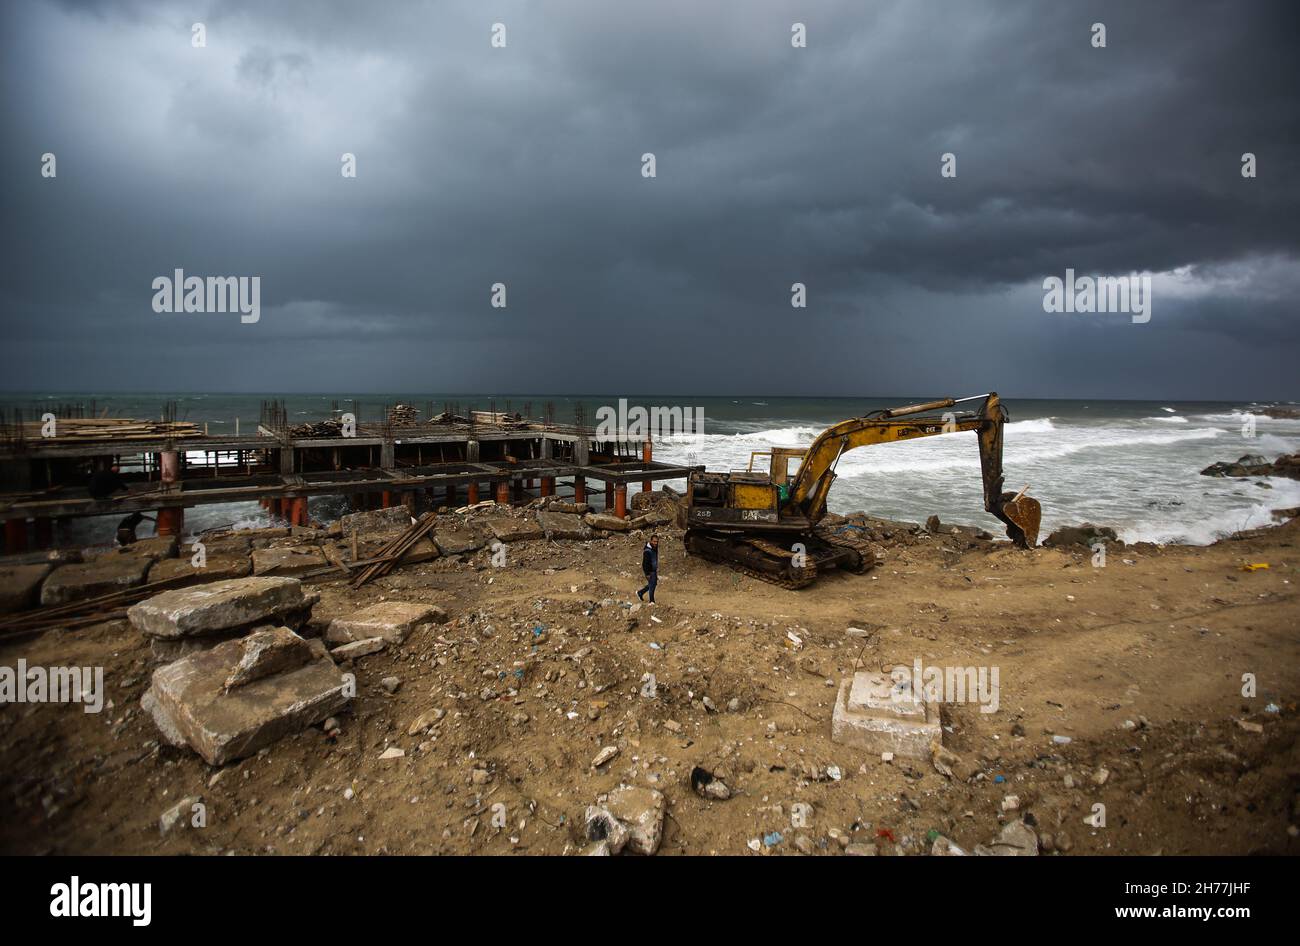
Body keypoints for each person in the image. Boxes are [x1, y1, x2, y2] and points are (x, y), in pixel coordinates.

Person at [637, 535, 659, 604]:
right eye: (654, 541)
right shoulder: (647, 551)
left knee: (653, 584)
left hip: (653, 570)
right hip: (650, 571)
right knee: (652, 585)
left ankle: (640, 592)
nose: (656, 543)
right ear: (651, 541)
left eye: (657, 542)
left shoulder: (654, 547)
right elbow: (645, 564)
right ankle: (651, 601)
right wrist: (647, 574)